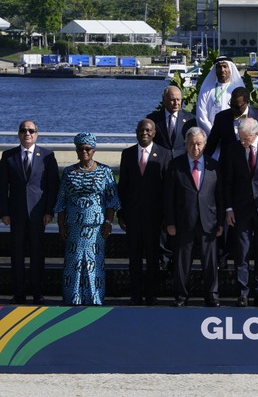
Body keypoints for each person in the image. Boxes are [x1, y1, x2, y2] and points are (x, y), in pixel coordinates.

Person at [220, 117, 258, 307]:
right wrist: (229, 208)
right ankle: (243, 292)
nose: (243, 142)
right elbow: (227, 182)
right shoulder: (233, 149)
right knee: (242, 251)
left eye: (245, 138)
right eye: (240, 137)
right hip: (240, 209)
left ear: (256, 134)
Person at [53, 133, 119, 305]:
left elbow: (112, 200)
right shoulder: (68, 172)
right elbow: (61, 200)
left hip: (96, 227)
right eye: (80, 148)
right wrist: (60, 225)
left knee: (94, 262)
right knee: (73, 262)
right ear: (76, 150)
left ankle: (94, 298)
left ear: (93, 150)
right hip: (73, 225)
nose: (84, 151)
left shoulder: (105, 171)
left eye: (87, 149)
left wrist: (109, 223)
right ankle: (73, 298)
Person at [0, 120, 59, 305]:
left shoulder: (47, 156)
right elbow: (2, 187)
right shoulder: (8, 156)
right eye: (24, 130)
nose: (27, 133)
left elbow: (52, 186)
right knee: (16, 254)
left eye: (31, 130)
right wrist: (4, 212)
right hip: (15, 215)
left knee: (37, 253)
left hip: (38, 214)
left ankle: (37, 292)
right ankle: (18, 293)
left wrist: (50, 211)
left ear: (37, 134)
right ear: (18, 134)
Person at [164, 128, 223, 307]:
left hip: (209, 222)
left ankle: (212, 295)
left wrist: (220, 222)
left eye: (198, 144)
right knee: (182, 262)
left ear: (204, 145)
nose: (195, 147)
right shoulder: (176, 165)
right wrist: (170, 222)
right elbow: (168, 197)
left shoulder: (214, 166)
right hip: (183, 222)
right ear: (185, 144)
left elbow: (220, 196)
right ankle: (181, 296)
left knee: (211, 262)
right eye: (191, 144)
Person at [118, 118, 171, 304]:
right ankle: (135, 295)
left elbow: (167, 189)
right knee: (134, 258)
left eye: (148, 130)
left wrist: (166, 216)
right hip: (132, 217)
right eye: (141, 130)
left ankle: (151, 295)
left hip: (155, 218)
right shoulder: (128, 154)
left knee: (152, 258)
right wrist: (121, 214)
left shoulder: (164, 154)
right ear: (136, 132)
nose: (144, 133)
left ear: (154, 132)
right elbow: (122, 186)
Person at [206, 86, 258, 159]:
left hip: (253, 164)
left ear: (247, 103)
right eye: (231, 104)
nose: (233, 109)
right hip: (229, 165)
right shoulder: (221, 117)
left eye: (237, 107)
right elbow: (211, 144)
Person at [195, 56, 241, 134]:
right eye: (219, 67)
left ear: (230, 69)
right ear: (215, 70)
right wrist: (215, 134)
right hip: (210, 137)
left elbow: (243, 114)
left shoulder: (237, 90)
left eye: (225, 66)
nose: (222, 70)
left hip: (233, 138)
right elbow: (201, 116)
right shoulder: (206, 90)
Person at [146, 85, 196, 157]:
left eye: (178, 100)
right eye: (173, 100)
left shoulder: (190, 119)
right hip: (160, 160)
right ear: (164, 100)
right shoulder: (153, 119)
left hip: (181, 161)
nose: (176, 103)